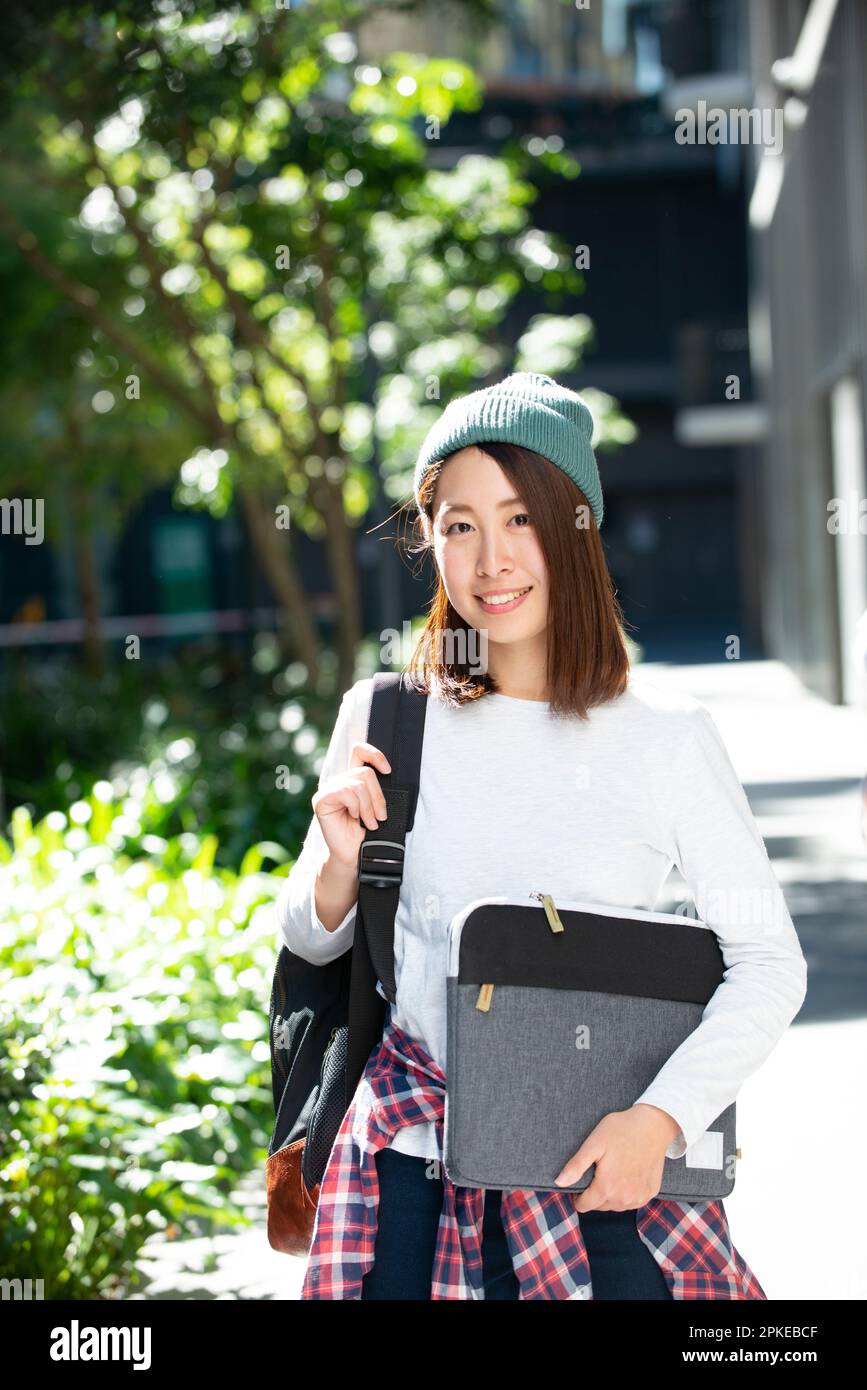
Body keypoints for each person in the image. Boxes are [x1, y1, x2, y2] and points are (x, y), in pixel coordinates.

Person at [275, 371, 808, 1300]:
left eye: (521, 518)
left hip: (605, 1177)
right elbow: (312, 940)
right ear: (430, 538)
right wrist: (335, 864)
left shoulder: (665, 736)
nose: (491, 561)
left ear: (577, 526)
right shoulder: (388, 716)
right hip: (407, 1171)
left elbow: (768, 963)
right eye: (460, 525)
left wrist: (659, 1123)